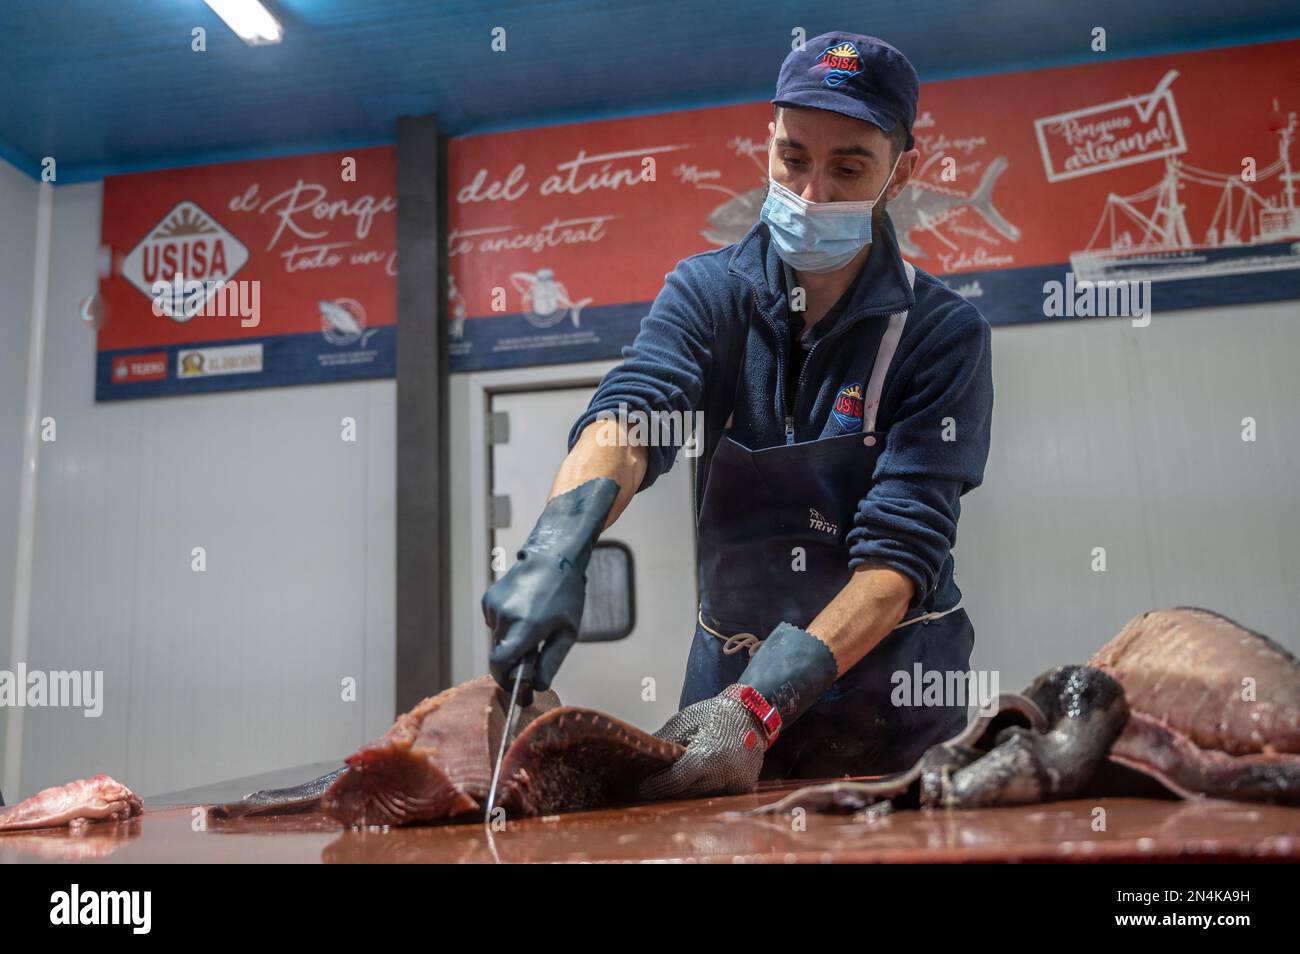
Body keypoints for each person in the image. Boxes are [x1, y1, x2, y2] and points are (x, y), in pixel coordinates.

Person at [481, 32, 993, 799]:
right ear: (768, 145)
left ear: (901, 172)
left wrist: (760, 705)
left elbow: (897, 560)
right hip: (724, 677)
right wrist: (558, 546)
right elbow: (633, 416)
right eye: (792, 159)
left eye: (848, 167)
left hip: (889, 707)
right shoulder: (707, 293)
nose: (812, 194)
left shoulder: (941, 333)